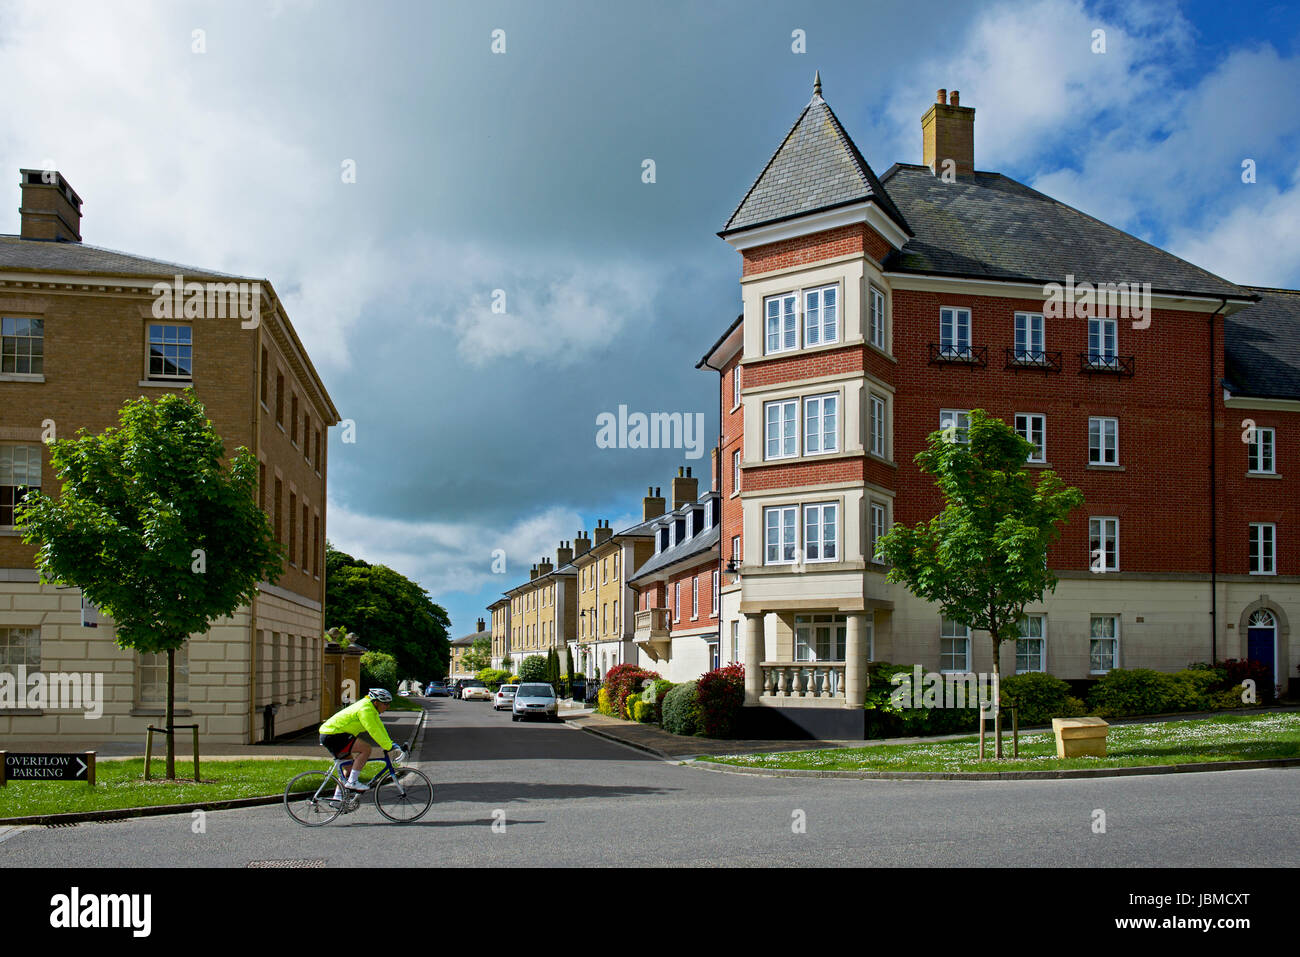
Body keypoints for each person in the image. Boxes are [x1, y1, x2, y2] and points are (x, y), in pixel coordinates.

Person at [318, 688, 405, 798]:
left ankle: (337, 799)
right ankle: (353, 783)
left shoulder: (371, 709)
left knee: (349, 770)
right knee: (366, 749)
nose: (388, 707)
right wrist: (388, 746)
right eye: (385, 704)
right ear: (376, 702)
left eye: (389, 704)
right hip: (334, 734)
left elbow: (380, 727)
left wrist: (391, 744)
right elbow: (373, 730)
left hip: (333, 734)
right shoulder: (365, 710)